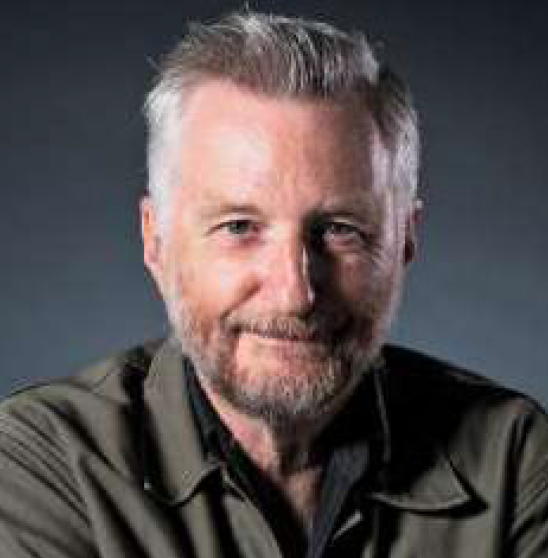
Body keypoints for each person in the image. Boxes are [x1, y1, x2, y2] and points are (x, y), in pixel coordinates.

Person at [1, 11, 547, 558]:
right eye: (239, 227)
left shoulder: (513, 458)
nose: (295, 294)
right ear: (156, 240)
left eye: (339, 230)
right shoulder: (43, 462)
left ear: (405, 239)